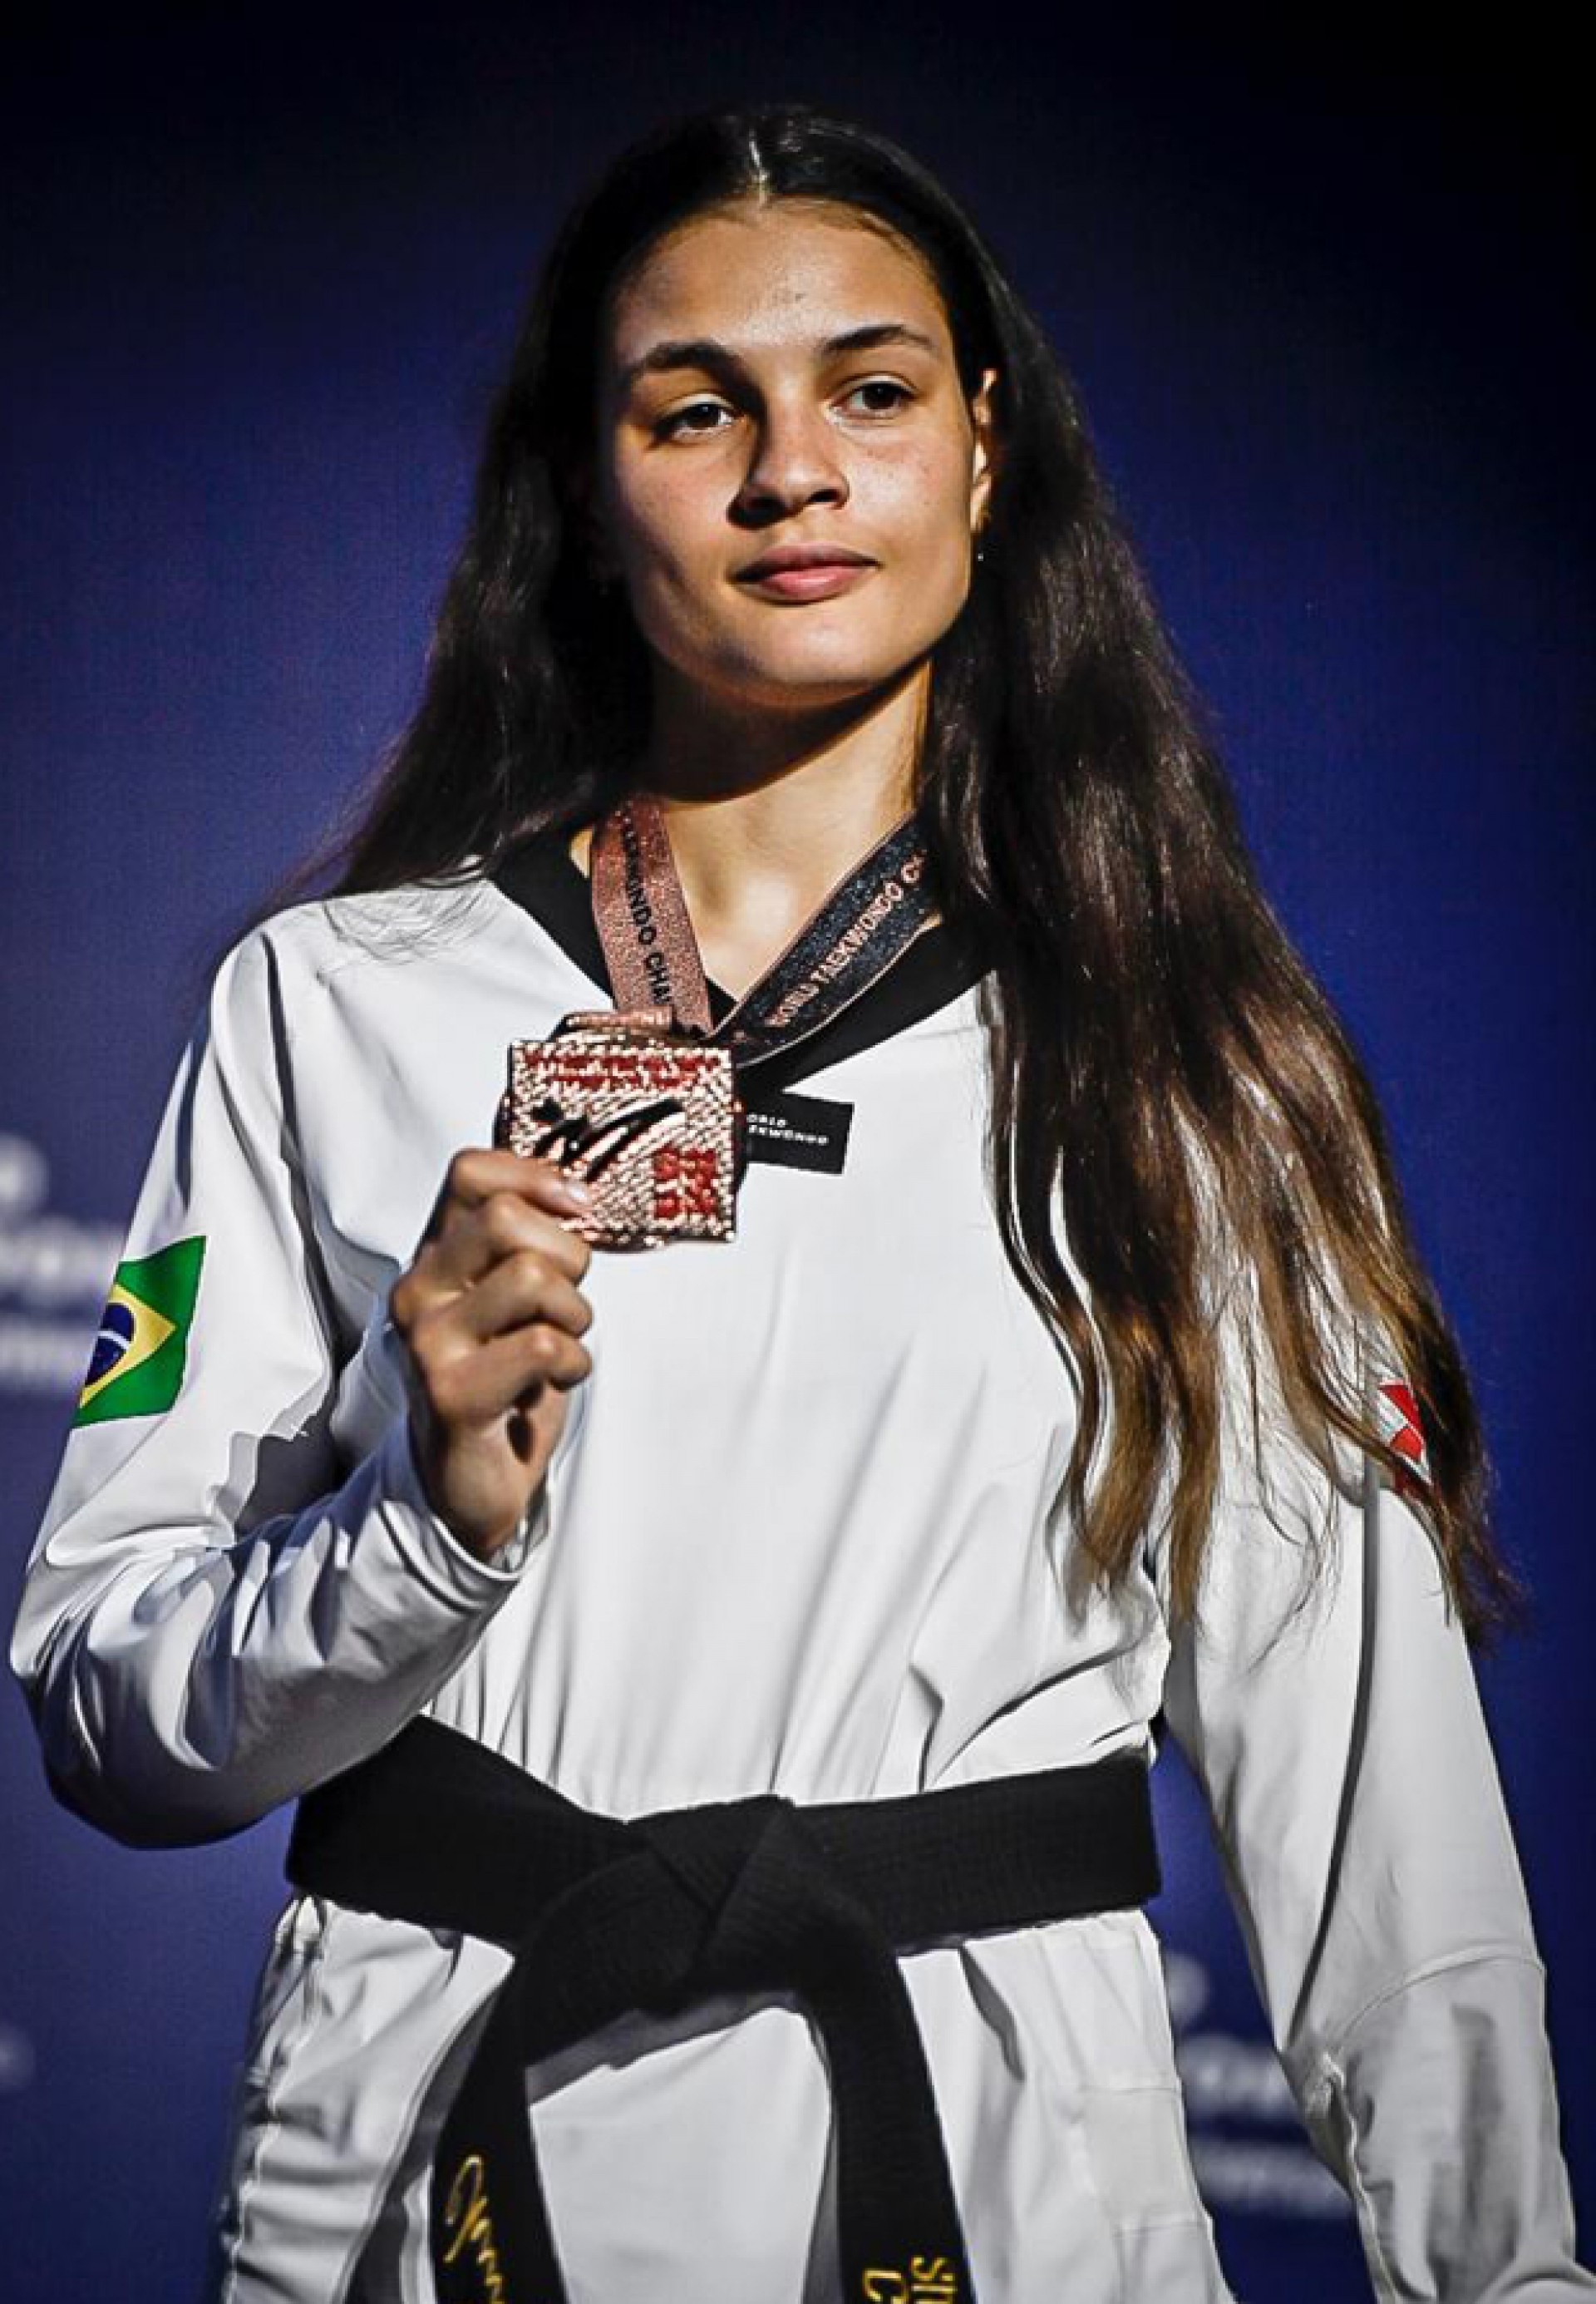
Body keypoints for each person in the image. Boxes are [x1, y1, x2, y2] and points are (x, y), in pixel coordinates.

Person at [9, 99, 1590, 2304]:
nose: (792, 472)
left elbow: (1375, 1821)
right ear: (582, 482)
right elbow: (106, 1705)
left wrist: (1505, 2278)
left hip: (1005, 2185)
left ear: (981, 450)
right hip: (429, 2169)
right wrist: (425, 1535)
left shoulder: (1191, 1066)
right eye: (696, 410)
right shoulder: (330, 1005)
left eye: (870, 389)